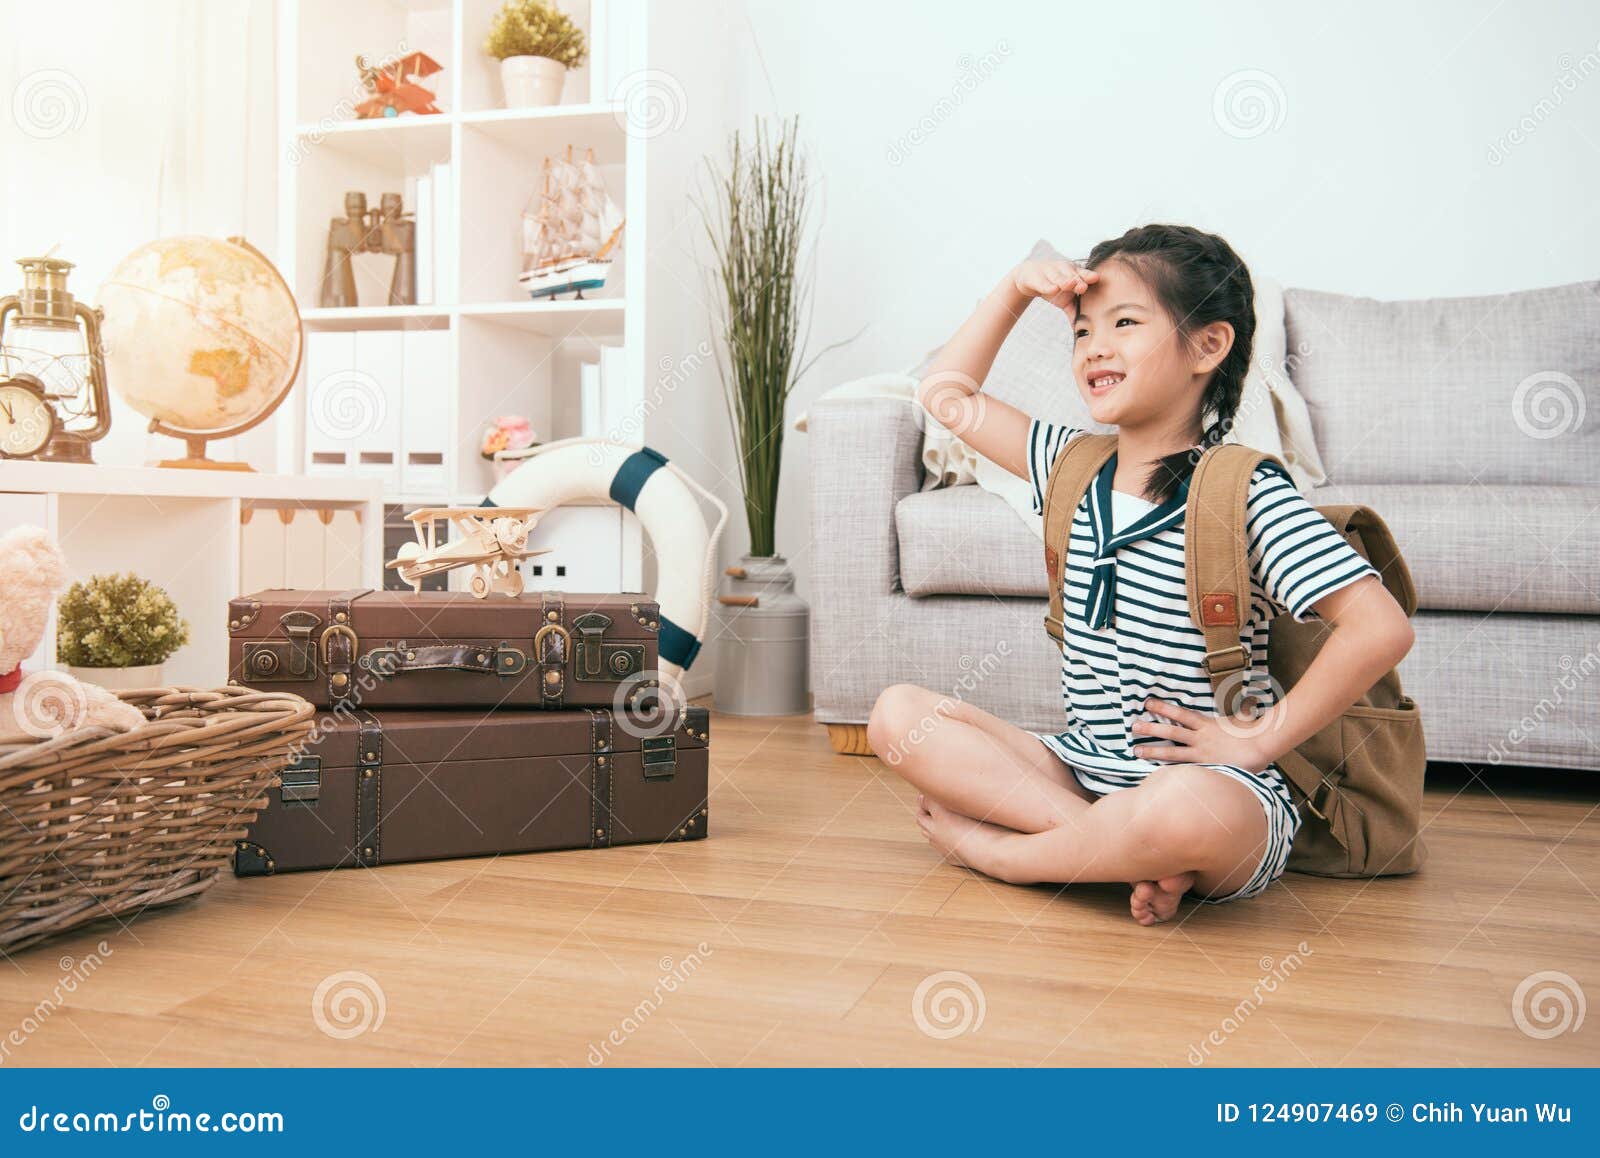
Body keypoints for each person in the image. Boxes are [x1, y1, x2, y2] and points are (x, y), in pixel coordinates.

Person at [867, 224, 1415, 925]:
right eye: (1084, 330)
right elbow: (944, 393)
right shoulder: (1068, 464)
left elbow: (1380, 627)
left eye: (1126, 323)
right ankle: (1111, 848)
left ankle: (1015, 858)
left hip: (1210, 790)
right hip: (1084, 772)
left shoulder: (1243, 493)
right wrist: (1012, 289)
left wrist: (1255, 739)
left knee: (1181, 810)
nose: (1096, 345)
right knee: (898, 718)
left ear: (1208, 346)